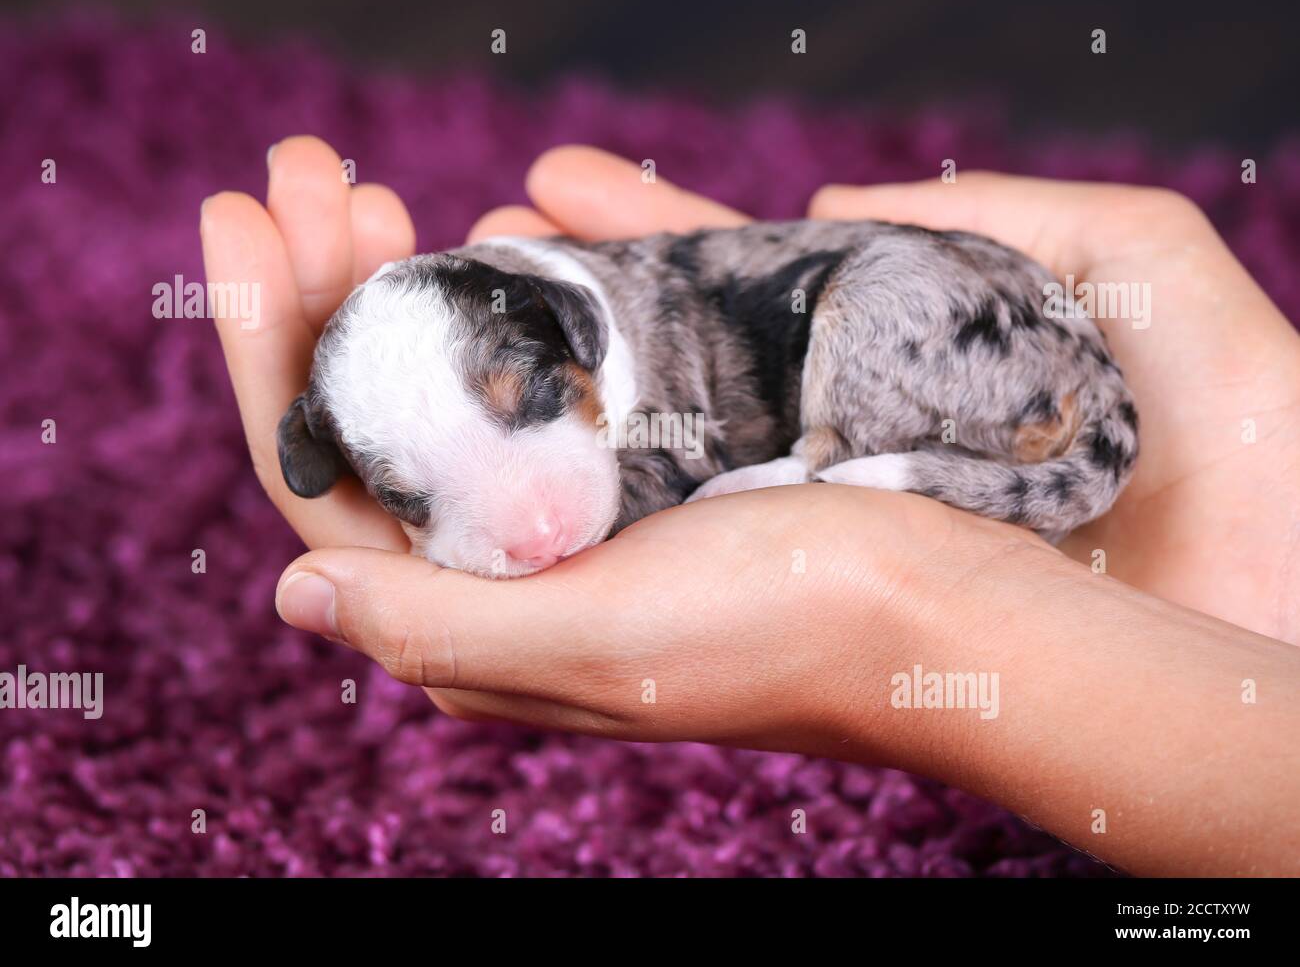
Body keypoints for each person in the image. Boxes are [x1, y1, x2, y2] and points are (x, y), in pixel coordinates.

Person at [202, 137, 1300, 876]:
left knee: (873, 293)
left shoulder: (612, 323)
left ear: (571, 331)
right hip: (979, 381)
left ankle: (850, 453)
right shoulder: (525, 331)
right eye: (411, 493)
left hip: (968, 352)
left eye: (532, 405)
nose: (530, 525)